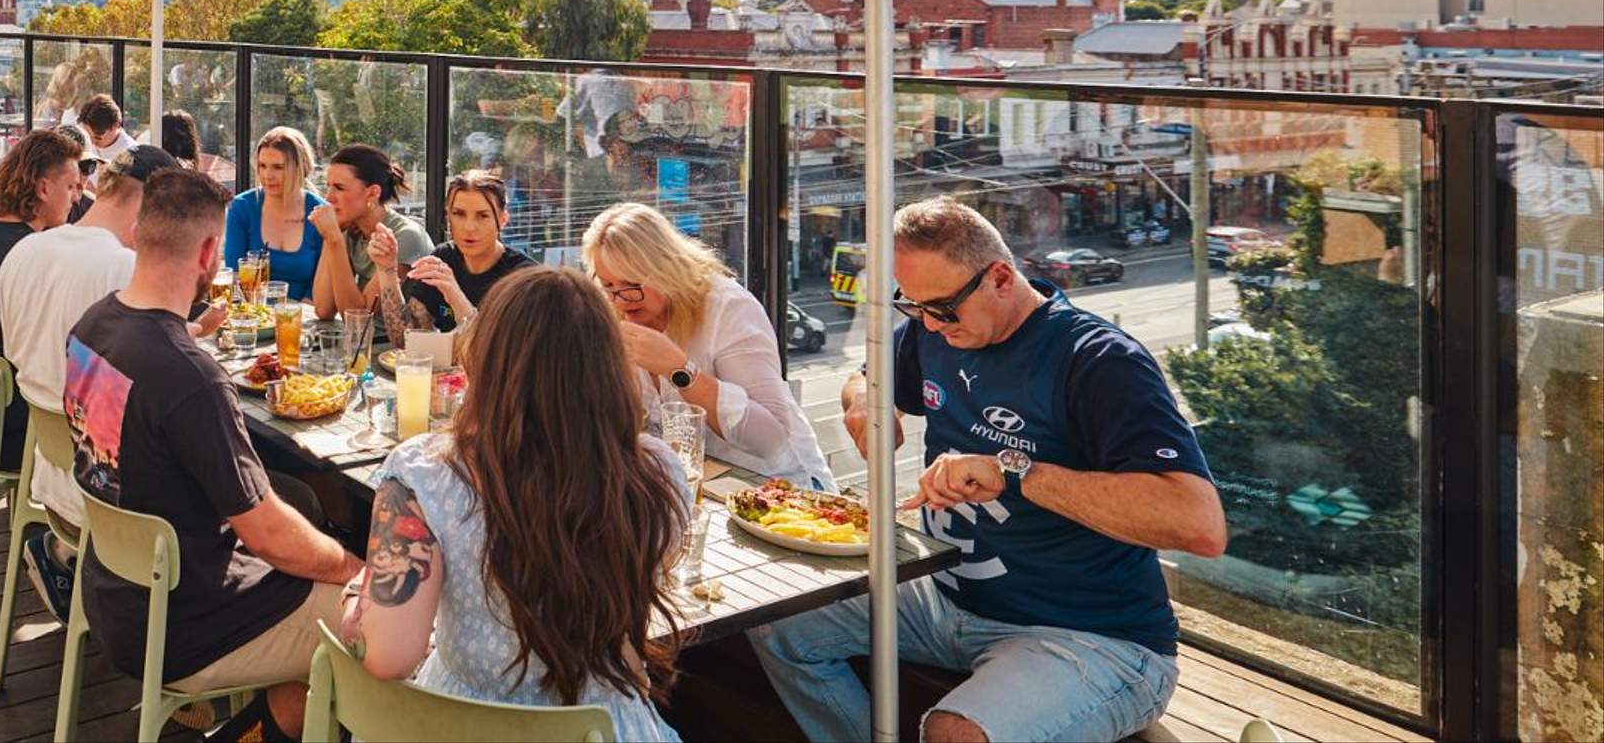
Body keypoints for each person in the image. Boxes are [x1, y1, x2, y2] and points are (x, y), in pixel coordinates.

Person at [752, 199, 1224, 743]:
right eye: (914, 306)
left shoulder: (1097, 361)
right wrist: (865, 401)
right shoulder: (936, 330)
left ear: (1001, 278)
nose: (929, 323)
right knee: (776, 623)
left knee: (955, 734)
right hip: (941, 598)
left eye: (943, 308)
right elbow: (867, 377)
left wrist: (1015, 472)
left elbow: (1198, 524)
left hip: (1087, 631)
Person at [66, 168, 361, 736]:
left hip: (113, 592)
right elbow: (268, 534)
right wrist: (356, 569)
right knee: (388, 628)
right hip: (188, 623)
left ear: (137, 235)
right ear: (208, 251)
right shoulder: (189, 377)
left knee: (314, 661)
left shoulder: (93, 324)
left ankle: (265, 721)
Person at [353, 267, 691, 741]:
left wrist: (359, 598)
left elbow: (389, 657)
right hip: (609, 726)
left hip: (465, 725)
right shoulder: (661, 471)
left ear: (486, 362)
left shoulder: (424, 472)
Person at [0, 145, 211, 614]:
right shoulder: (122, 270)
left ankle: (66, 561)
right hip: (109, 503)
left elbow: (22, 354)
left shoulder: (23, 250)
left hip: (49, 474)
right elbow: (162, 377)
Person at [582, 203, 831, 488]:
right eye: (608, 286)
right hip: (699, 487)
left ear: (665, 269)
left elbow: (773, 440)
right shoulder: (614, 315)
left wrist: (679, 370)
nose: (621, 299)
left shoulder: (726, 307)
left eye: (631, 284)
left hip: (783, 488)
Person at [0, 127, 87, 472]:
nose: (77, 197)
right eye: (71, 187)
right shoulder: (28, 255)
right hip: (16, 432)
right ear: (43, 188)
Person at [308, 143, 433, 323]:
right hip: (369, 343)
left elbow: (359, 319)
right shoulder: (352, 231)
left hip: (406, 345)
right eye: (328, 187)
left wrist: (334, 239)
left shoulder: (405, 237)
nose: (328, 197)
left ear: (373, 192)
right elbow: (324, 309)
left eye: (340, 188)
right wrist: (331, 238)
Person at [400, 171, 535, 337]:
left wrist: (456, 298)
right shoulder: (443, 258)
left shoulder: (524, 279)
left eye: (482, 216)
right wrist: (386, 270)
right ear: (448, 216)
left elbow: (504, 356)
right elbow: (405, 341)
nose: (469, 227)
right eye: (459, 214)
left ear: (502, 219)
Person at [220, 127, 328, 299]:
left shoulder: (320, 213)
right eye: (262, 166)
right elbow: (235, 276)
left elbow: (322, 285)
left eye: (278, 167)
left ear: (301, 167)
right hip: (252, 313)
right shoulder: (241, 208)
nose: (267, 175)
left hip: (305, 315)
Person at [73, 94, 136, 167]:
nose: (91, 143)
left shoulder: (130, 157)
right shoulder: (82, 145)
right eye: (87, 136)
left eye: (97, 137)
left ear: (116, 125)